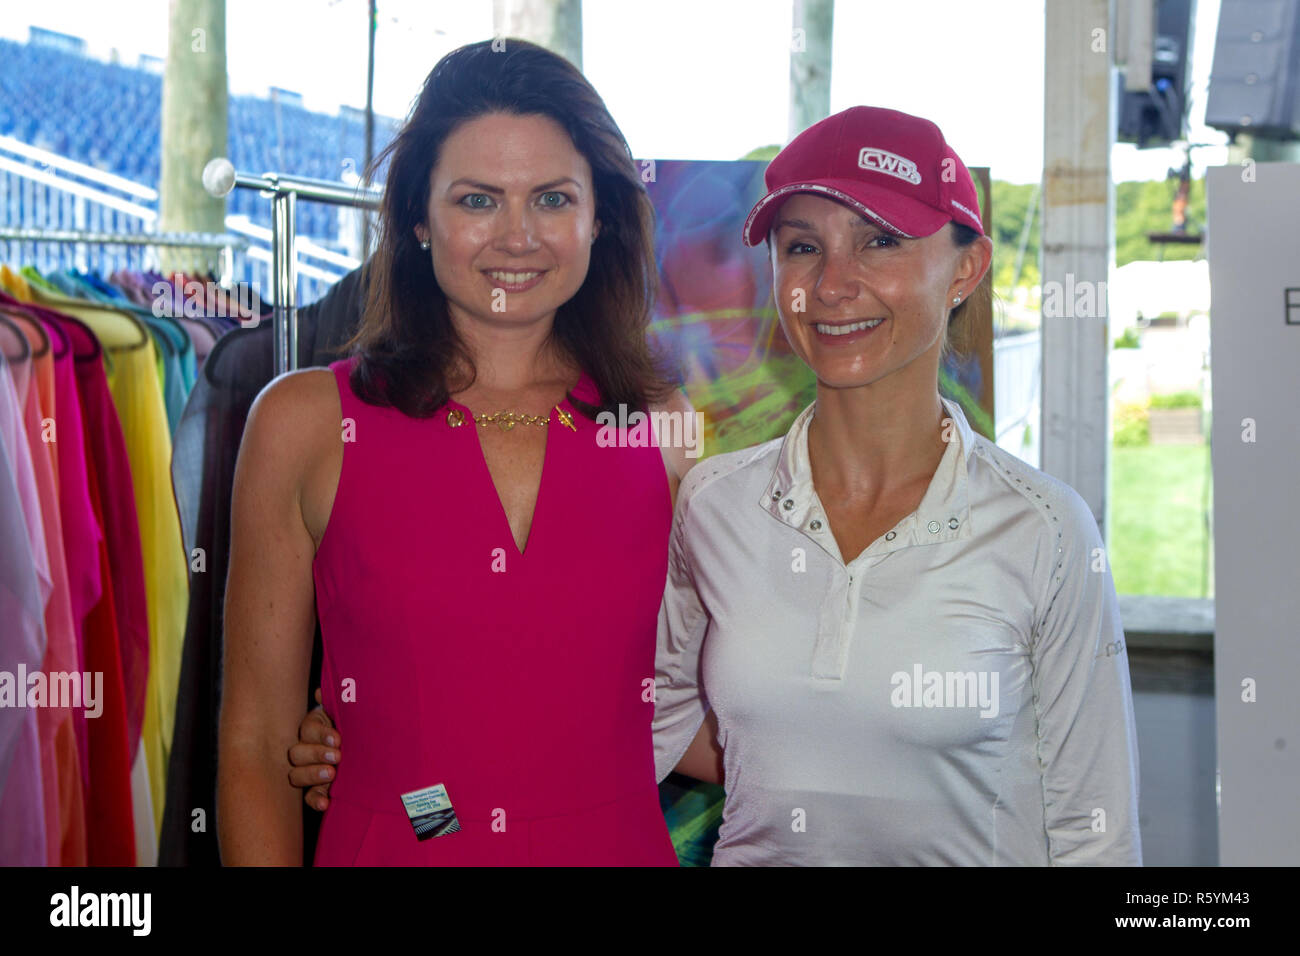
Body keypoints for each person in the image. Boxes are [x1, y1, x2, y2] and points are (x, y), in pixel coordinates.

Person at [292, 105, 1142, 866]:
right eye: (803, 246)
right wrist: (382, 745)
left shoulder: (1044, 532)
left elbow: (1098, 837)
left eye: (881, 240)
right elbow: (627, 714)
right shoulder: (714, 502)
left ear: (965, 269)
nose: (834, 282)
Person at [217, 39, 690, 866]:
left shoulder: (664, 428)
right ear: (417, 219)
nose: (517, 237)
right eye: (477, 200)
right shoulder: (304, 424)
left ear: (599, 216)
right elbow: (255, 747)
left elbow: (719, 709)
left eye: (551, 198)